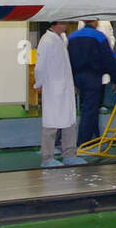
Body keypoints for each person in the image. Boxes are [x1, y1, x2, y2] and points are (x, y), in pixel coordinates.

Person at [34, 22, 86, 168]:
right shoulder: (46, 41)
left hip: (65, 88)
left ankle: (69, 154)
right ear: (57, 23)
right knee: (51, 123)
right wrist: (39, 83)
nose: (67, 25)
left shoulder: (62, 38)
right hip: (53, 87)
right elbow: (40, 66)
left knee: (69, 121)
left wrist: (72, 85)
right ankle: (47, 157)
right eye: (65, 22)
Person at [68, 19, 116, 148]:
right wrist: (115, 78)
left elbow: (67, 59)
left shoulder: (73, 36)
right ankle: (83, 143)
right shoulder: (98, 36)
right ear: (96, 23)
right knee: (90, 109)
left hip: (77, 77)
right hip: (93, 77)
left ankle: (96, 138)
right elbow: (109, 58)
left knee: (91, 107)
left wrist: (72, 81)